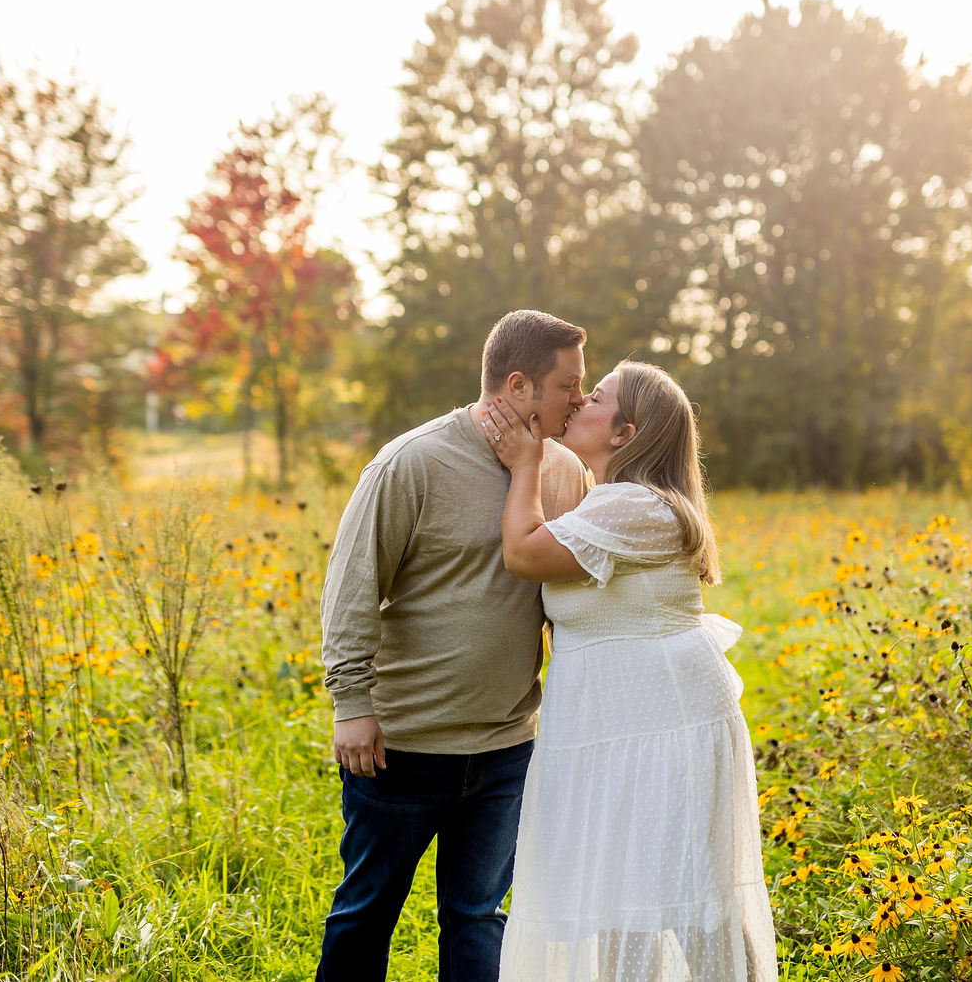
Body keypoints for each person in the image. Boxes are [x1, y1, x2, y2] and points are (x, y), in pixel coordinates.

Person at [316, 310, 593, 982]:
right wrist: (352, 704)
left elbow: (571, 600)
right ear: (519, 386)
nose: (581, 400)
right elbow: (351, 587)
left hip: (505, 751)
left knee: (478, 917)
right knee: (365, 911)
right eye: (569, 386)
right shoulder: (412, 462)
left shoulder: (564, 473)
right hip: (403, 749)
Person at [479, 360, 777, 981]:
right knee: (615, 899)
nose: (582, 399)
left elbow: (523, 552)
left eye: (599, 396)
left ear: (624, 433)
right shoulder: (607, 502)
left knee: (691, 900)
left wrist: (526, 465)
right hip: (609, 723)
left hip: (665, 724)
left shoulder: (639, 508)